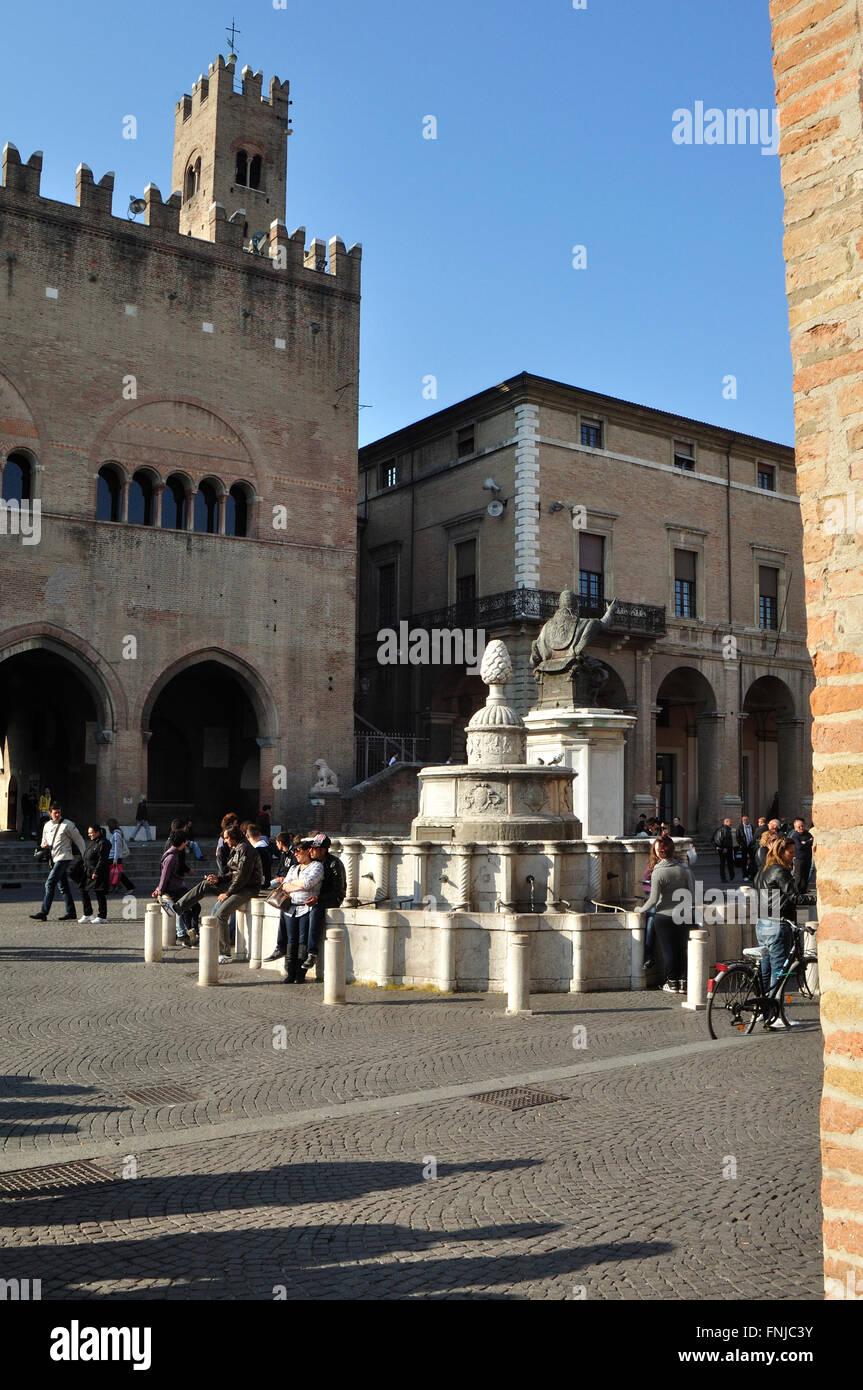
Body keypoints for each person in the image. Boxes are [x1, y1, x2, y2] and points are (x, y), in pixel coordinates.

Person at [636, 834, 695, 993]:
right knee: (682, 949)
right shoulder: (684, 868)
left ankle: (672, 982)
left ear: (660, 853)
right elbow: (693, 893)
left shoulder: (658, 872)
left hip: (665, 916)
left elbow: (653, 899)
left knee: (668, 950)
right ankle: (683, 982)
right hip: (684, 914)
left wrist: (640, 909)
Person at [754, 837, 802, 1027]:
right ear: (782, 853)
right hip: (777, 923)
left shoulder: (764, 870)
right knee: (778, 971)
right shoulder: (780, 871)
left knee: (765, 970)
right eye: (791, 852)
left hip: (762, 922)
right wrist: (816, 899)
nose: (794, 855)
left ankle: (762, 1009)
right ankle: (775, 1015)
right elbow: (794, 896)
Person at [210, 823, 264, 963]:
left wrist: (227, 893)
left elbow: (242, 876)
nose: (226, 841)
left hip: (248, 888)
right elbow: (232, 873)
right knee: (217, 910)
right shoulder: (237, 848)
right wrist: (218, 879)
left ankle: (225, 953)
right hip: (241, 887)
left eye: (227, 838)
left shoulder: (246, 849)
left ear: (234, 837)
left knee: (221, 914)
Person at [30, 802, 86, 922]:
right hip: (53, 858)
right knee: (63, 886)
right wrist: (43, 846)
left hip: (64, 857)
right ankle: (71, 912)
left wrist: (85, 856)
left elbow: (79, 839)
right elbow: (43, 841)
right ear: (50, 813)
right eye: (55, 812)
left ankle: (44, 912)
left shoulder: (68, 824)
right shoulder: (47, 826)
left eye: (59, 812)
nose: (57, 814)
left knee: (49, 883)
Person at [278, 839, 323, 983]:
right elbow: (284, 885)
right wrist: (297, 884)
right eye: (294, 851)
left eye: (298, 851)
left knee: (302, 939)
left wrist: (294, 884)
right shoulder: (293, 868)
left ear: (308, 851)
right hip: (291, 907)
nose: (295, 854)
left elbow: (309, 883)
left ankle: (300, 973)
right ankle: (289, 972)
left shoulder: (317, 866)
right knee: (291, 939)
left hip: (306, 907)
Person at [303, 832, 347, 974]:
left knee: (315, 912)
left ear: (323, 850)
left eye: (314, 848)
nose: (311, 851)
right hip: (316, 897)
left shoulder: (334, 863)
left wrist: (318, 899)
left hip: (331, 898)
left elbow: (337, 891)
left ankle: (312, 953)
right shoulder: (313, 862)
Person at [153, 830, 197, 946]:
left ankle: (185, 934)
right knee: (186, 909)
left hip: (176, 887)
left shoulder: (172, 853)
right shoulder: (171, 857)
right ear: (182, 843)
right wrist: (159, 891)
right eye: (185, 841)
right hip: (174, 889)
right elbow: (164, 875)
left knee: (186, 909)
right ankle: (184, 935)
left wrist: (159, 889)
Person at [79, 824, 110, 924]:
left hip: (98, 872)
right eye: (88, 833)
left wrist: (96, 872)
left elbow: (102, 859)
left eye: (91, 833)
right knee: (83, 890)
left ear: (97, 832)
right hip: (87, 871)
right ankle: (87, 913)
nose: (90, 835)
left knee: (99, 893)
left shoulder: (103, 843)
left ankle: (102, 916)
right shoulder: (93, 842)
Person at [106, 820, 135, 891]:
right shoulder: (116, 834)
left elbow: (117, 848)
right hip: (113, 857)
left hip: (114, 857)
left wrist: (115, 860)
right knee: (117, 874)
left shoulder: (116, 835)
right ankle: (117, 886)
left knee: (119, 875)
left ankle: (130, 887)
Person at [790, 817, 814, 895]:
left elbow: (812, 841)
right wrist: (808, 842)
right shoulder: (795, 836)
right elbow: (799, 846)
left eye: (802, 826)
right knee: (799, 876)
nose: (801, 828)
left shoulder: (807, 833)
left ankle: (803, 891)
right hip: (799, 858)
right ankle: (797, 892)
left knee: (806, 876)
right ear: (795, 828)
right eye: (799, 827)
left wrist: (805, 843)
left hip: (807, 857)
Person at [712, 818, 736, 883]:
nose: (731, 823)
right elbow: (726, 839)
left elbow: (712, 839)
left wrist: (716, 847)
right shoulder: (726, 829)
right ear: (726, 822)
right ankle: (730, 876)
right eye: (730, 822)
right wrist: (725, 848)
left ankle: (724, 877)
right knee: (729, 863)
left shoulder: (718, 829)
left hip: (720, 849)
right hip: (726, 849)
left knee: (722, 864)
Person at [736, 815, 757, 880]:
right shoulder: (739, 827)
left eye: (747, 819)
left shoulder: (751, 826)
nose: (745, 821)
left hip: (751, 846)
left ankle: (752, 875)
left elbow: (754, 835)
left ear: (749, 819)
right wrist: (741, 844)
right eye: (744, 819)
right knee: (744, 861)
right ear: (742, 820)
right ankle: (745, 875)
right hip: (744, 846)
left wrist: (753, 842)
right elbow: (738, 837)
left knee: (752, 860)